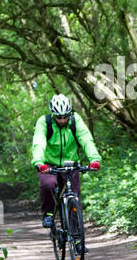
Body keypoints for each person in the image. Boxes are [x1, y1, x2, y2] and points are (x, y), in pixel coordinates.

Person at [32, 94, 100, 228]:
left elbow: (86, 140)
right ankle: (48, 214)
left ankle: (77, 238)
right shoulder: (44, 122)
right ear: (53, 115)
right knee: (48, 184)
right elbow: (39, 142)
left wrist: (95, 159)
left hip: (70, 163)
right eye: (59, 117)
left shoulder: (76, 121)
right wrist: (39, 162)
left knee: (74, 196)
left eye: (65, 116)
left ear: (69, 113)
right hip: (48, 164)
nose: (62, 120)